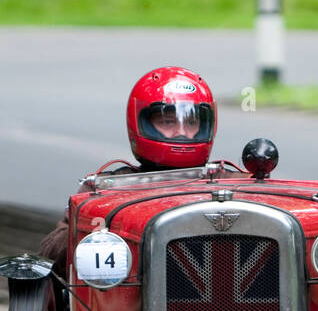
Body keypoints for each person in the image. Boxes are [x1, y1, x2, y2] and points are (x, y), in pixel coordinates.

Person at [38, 66, 218, 273]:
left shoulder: (230, 182)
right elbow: (49, 254)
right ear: (141, 124)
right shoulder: (104, 191)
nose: (182, 133)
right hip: (127, 300)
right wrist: (94, 234)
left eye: (192, 122)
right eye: (168, 122)